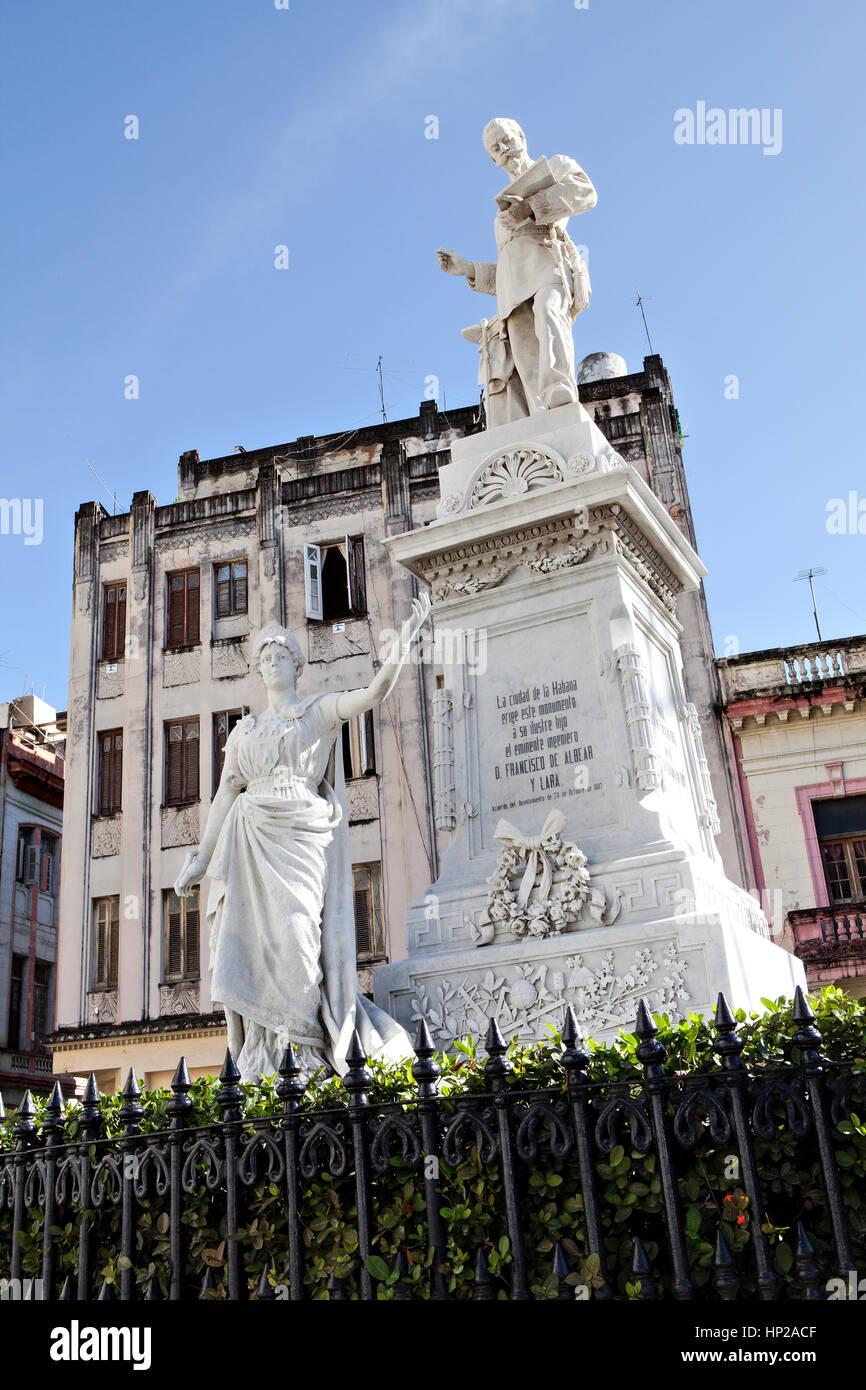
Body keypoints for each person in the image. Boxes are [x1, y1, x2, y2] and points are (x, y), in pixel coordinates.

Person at [173, 596, 431, 1081]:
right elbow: (226, 793)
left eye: (280, 657)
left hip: (300, 842)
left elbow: (372, 694)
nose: (272, 665)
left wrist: (402, 644)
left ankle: (307, 1052)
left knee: (297, 942)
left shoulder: (318, 712)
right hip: (249, 841)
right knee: (246, 948)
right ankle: (264, 1059)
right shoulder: (245, 732)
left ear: (297, 665)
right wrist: (202, 857)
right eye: (264, 659)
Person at [436, 118, 597, 425]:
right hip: (514, 291)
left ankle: (559, 389)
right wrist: (467, 268)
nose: (504, 149)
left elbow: (585, 192)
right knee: (524, 353)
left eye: (507, 140)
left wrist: (529, 207)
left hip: (549, 265)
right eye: (496, 148)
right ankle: (541, 420)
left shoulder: (556, 168)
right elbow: (509, 270)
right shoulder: (498, 219)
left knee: (550, 314)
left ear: (522, 137)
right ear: (492, 160)